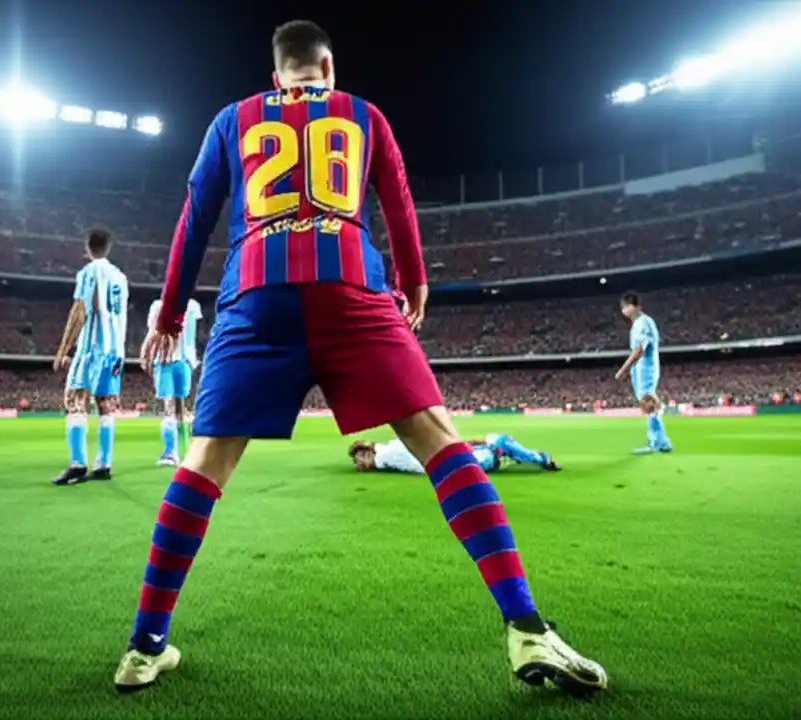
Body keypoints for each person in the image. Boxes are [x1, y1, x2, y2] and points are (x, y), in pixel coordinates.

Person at [118, 20, 606, 697]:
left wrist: (170, 315)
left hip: (257, 291)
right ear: (328, 68)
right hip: (350, 283)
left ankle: (144, 647)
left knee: (203, 463)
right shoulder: (363, 114)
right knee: (439, 440)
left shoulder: (233, 119)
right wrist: (413, 281)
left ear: (277, 76)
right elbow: (396, 201)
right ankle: (525, 625)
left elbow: (195, 218)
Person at [52, 229, 129, 484]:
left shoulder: (89, 272)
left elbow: (80, 310)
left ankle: (77, 463)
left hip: (92, 348)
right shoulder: (120, 277)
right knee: (106, 405)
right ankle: (103, 464)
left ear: (88, 247)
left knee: (75, 399)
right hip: (115, 349)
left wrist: (63, 350)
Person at [145, 297, 204, 467]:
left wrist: (146, 353)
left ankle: (170, 453)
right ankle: (189, 453)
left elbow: (154, 332)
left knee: (169, 406)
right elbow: (192, 334)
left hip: (166, 360)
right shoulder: (193, 305)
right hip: (185, 361)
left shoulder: (158, 306)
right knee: (181, 407)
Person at [614, 291, 674, 454]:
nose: (624, 310)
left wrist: (624, 368)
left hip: (646, 368)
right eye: (623, 307)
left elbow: (640, 349)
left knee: (648, 403)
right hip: (641, 369)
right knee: (648, 403)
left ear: (637, 306)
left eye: (627, 306)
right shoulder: (640, 324)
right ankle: (659, 441)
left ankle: (657, 442)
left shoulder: (643, 323)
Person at [349, 433, 561, 474]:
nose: (360, 462)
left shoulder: (388, 451)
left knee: (498, 443)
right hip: (452, 462)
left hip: (451, 455)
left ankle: (538, 458)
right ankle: (539, 458)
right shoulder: (386, 456)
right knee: (498, 443)